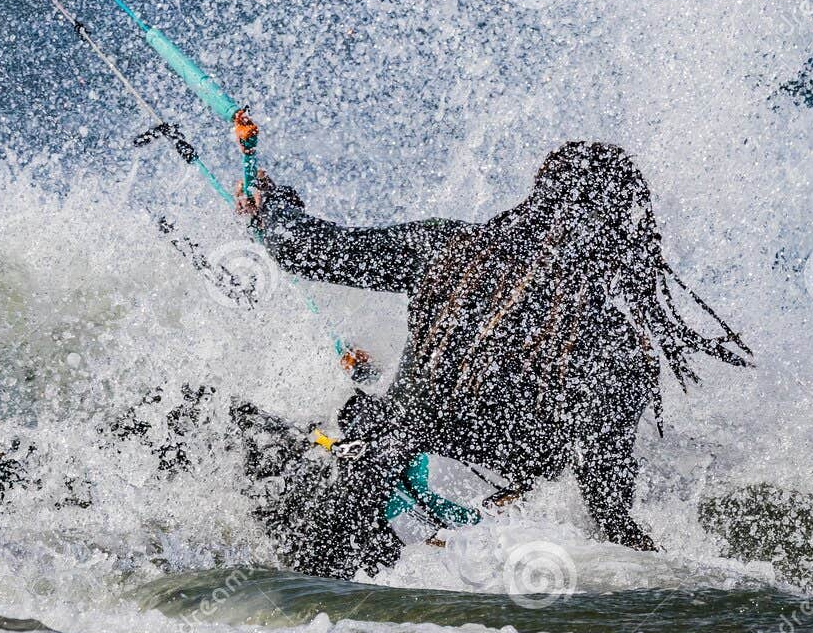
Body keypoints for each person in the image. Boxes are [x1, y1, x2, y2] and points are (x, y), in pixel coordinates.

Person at [234, 140, 752, 579]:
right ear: (622, 238)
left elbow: (304, 248)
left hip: (341, 500)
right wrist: (686, 576)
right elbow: (609, 521)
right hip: (433, 560)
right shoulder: (620, 352)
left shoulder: (445, 251)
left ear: (535, 200)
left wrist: (273, 205)